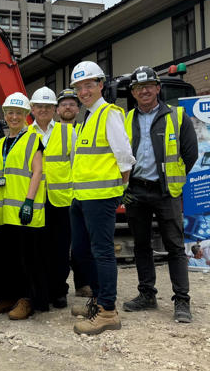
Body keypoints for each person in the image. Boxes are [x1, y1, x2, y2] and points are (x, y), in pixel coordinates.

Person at [122, 66, 198, 323]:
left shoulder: (177, 116)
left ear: (157, 88)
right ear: (133, 93)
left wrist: (172, 178)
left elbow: (190, 153)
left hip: (166, 192)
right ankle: (147, 294)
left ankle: (182, 300)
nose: (143, 91)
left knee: (175, 246)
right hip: (136, 191)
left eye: (148, 86)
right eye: (138, 87)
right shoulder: (126, 119)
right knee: (141, 245)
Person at [68, 61, 134, 335]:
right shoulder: (89, 117)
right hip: (82, 197)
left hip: (100, 197)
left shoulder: (109, 114)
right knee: (83, 252)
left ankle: (107, 311)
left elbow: (125, 158)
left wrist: (118, 190)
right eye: (79, 87)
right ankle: (97, 299)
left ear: (101, 85)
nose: (83, 91)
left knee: (102, 253)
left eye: (88, 85)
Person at [0, 93, 45, 320]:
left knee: (25, 258)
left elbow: (37, 171)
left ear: (26, 115)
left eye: (18, 113)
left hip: (23, 211)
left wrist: (29, 201)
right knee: (3, 258)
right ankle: (6, 297)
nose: (14, 117)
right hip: (2, 212)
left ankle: (26, 300)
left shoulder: (33, 139)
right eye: (10, 112)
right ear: (5, 115)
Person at [28, 86, 75, 309]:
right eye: (39, 106)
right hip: (36, 199)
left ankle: (59, 290)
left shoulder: (68, 132)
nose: (43, 110)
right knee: (37, 247)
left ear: (55, 109)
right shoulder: (26, 133)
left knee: (60, 248)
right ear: (32, 109)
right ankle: (42, 291)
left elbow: (76, 164)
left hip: (61, 199)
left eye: (48, 106)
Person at [55, 87, 91, 298]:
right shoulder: (51, 133)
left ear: (78, 109)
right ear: (57, 110)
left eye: (72, 104)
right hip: (57, 198)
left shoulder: (85, 130)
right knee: (59, 246)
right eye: (63, 104)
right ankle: (59, 286)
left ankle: (83, 283)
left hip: (80, 195)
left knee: (81, 244)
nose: (67, 107)